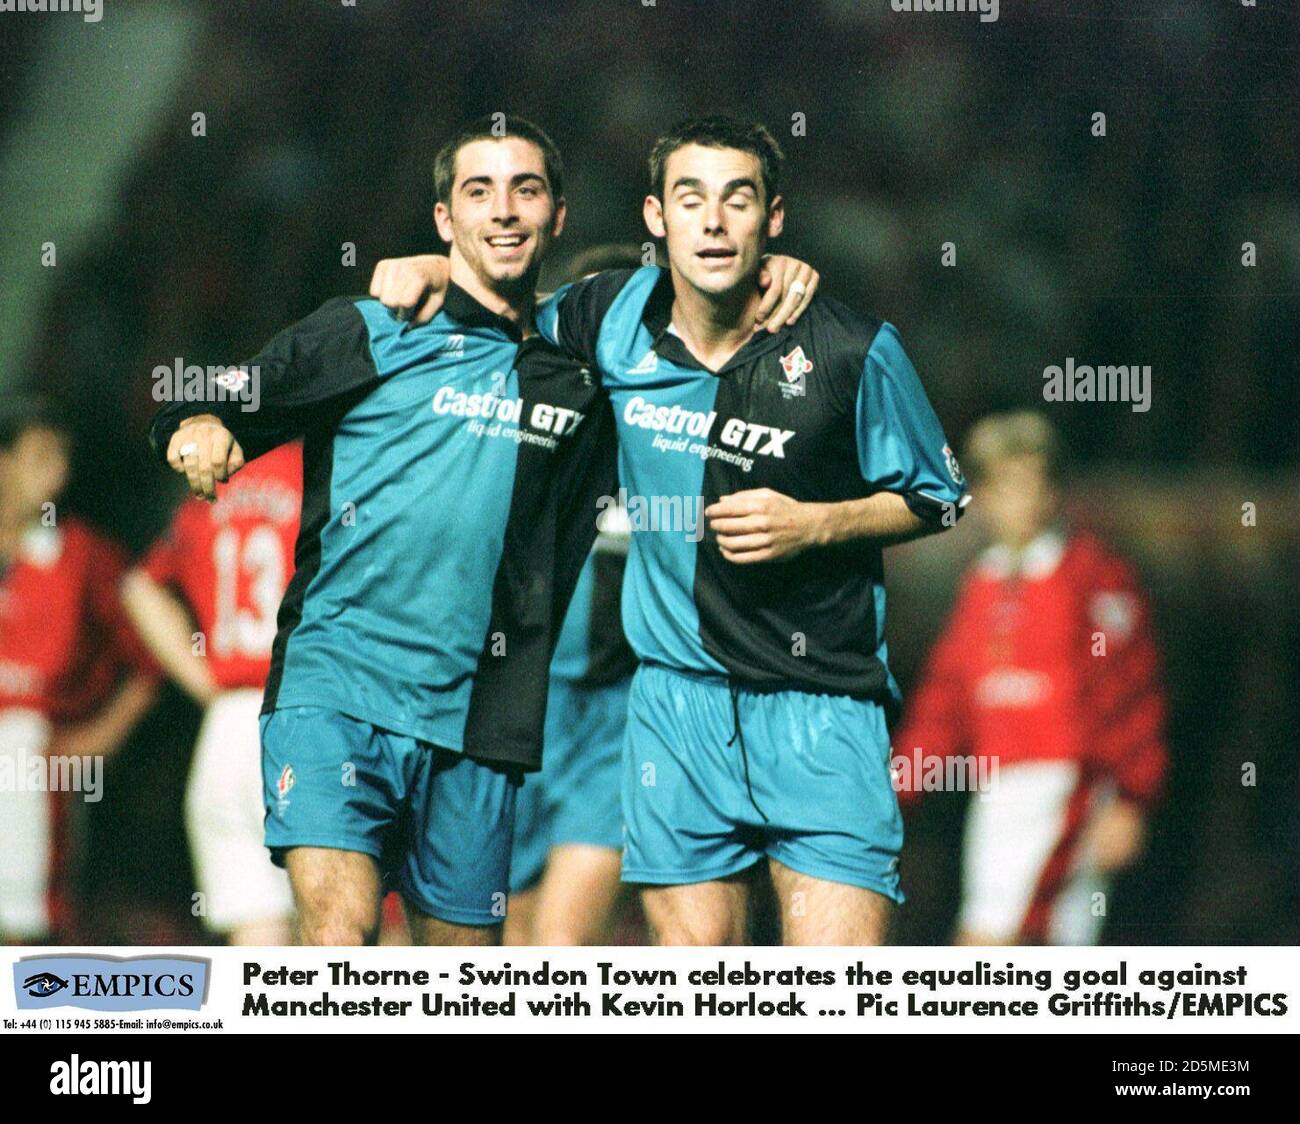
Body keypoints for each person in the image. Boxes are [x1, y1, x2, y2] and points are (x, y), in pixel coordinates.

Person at [151, 115, 814, 947]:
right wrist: (198, 429)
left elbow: (689, 304)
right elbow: (226, 394)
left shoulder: (587, 380)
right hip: (337, 688)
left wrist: (766, 269)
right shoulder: (374, 328)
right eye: (478, 192)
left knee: (462, 979)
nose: (503, 210)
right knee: (340, 927)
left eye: (525, 190)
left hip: (482, 718)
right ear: (444, 219)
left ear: (558, 216)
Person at [370, 115, 968, 945]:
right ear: (657, 218)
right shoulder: (609, 319)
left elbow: (940, 497)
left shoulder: (851, 350)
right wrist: (436, 264)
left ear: (774, 216)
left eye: (738, 201)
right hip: (671, 711)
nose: (714, 222)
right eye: (692, 201)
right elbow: (502, 311)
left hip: (822, 709)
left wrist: (816, 523)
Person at [892, 410, 1167, 944]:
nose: (1021, 503)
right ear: (984, 497)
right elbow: (948, 698)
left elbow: (1131, 691)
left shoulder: (1092, 577)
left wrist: (1133, 796)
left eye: (1033, 486)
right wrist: (901, 782)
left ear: (1054, 491)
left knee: (994, 951)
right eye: (1004, 488)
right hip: (997, 793)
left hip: (1067, 788)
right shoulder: (984, 582)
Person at [502, 245, 642, 947]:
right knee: (511, 930)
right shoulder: (512, 423)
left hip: (622, 717)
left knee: (561, 948)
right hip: (516, 706)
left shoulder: (673, 440)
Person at [122, 441, 303, 945]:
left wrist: (208, 682)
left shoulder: (211, 487)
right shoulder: (332, 469)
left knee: (258, 949)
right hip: (310, 718)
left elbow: (137, 587)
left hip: (228, 725)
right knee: (349, 936)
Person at [0, 396, 158, 942]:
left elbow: (150, 656)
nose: (59, 473)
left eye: (64, 457)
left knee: (23, 936)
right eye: (42, 456)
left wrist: (99, 737)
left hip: (31, 772)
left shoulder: (83, 556)